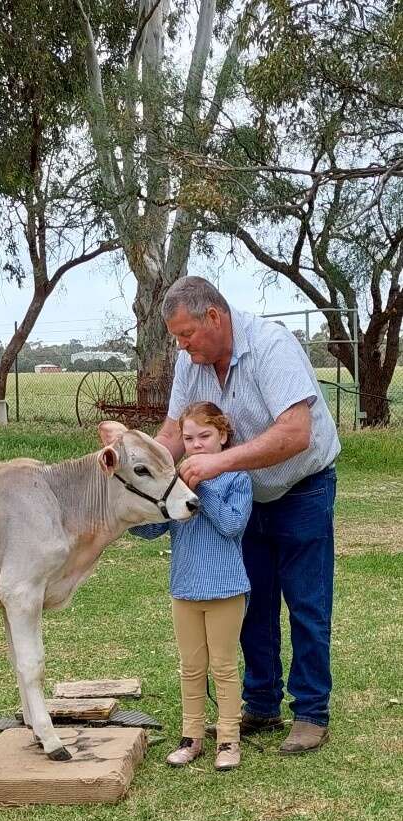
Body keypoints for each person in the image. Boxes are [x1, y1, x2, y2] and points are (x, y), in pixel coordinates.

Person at [156, 276, 340, 754]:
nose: (182, 345)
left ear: (213, 317)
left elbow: (296, 432)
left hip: (302, 487)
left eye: (187, 334)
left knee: (307, 605)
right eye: (178, 337)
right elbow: (175, 431)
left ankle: (310, 712)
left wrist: (218, 463)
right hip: (245, 497)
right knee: (251, 601)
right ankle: (260, 704)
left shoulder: (271, 346)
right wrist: (142, 465)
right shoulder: (189, 361)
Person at [130, 402, 252, 771]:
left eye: (205, 436)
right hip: (185, 590)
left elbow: (233, 526)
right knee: (191, 666)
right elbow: (152, 530)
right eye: (189, 438)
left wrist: (201, 489)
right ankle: (191, 737)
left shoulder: (237, 478)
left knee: (224, 667)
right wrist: (137, 507)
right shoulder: (175, 484)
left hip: (226, 589)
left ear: (223, 436)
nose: (197, 444)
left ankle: (229, 739)